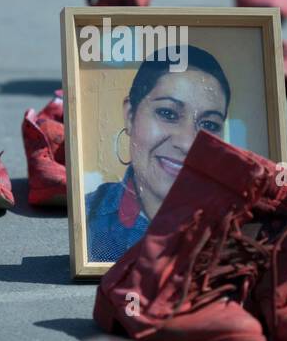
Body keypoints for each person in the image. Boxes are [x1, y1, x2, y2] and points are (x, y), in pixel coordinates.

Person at [86, 46, 231, 262]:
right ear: (130, 115)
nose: (186, 143)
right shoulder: (88, 216)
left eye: (209, 125)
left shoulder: (241, 228)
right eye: (167, 113)